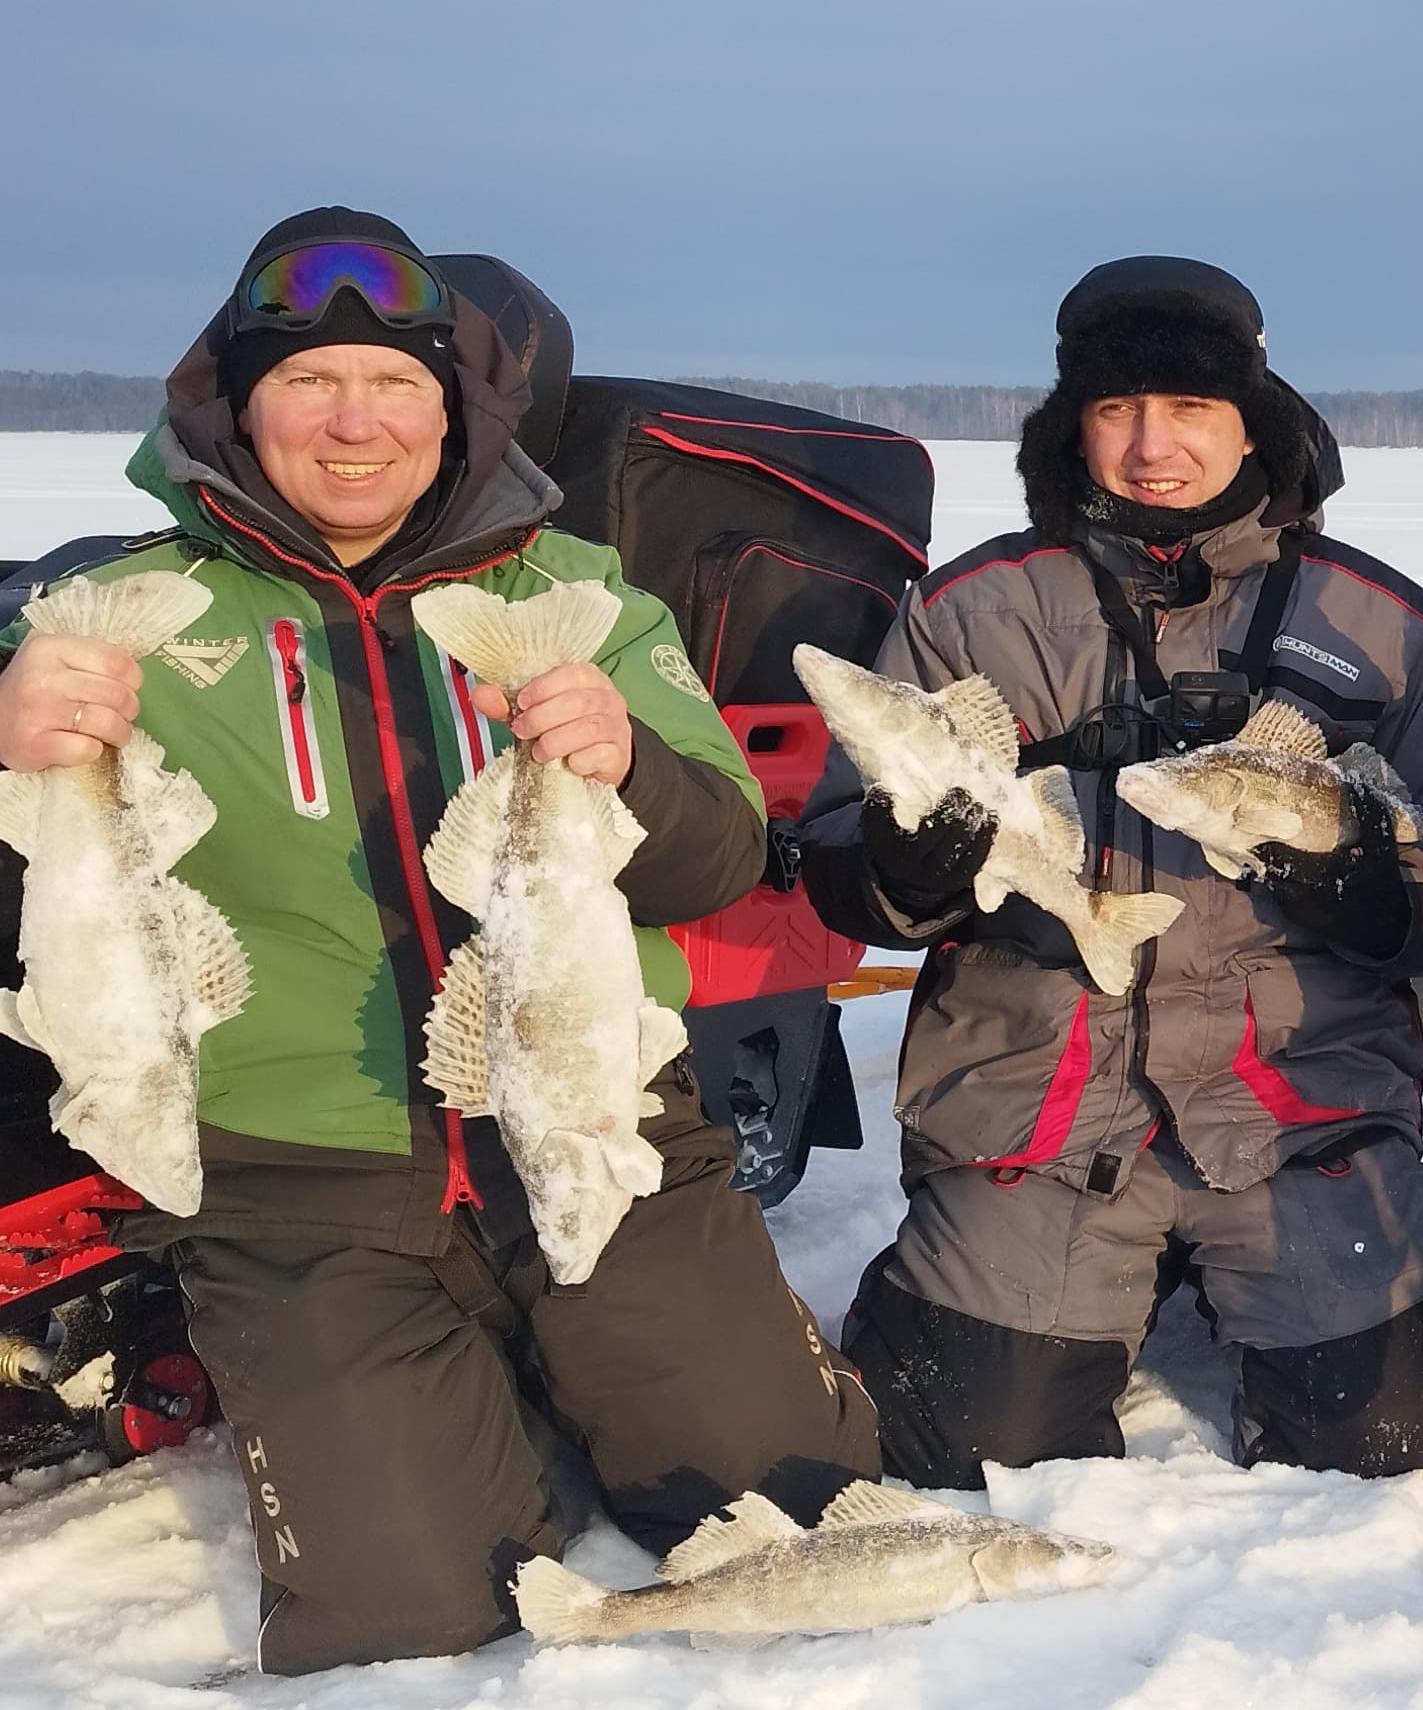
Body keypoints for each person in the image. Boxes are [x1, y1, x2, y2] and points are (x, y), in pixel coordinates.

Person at [0, 209, 878, 1673]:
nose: (357, 425)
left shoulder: (579, 599)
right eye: (308, 383)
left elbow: (719, 857)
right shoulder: (123, 618)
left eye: (396, 384)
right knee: (406, 1619)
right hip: (305, 1181)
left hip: (596, 1124)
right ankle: (468, 1378)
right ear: (235, 404)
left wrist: (632, 766)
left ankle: (559, 1348)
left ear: (455, 407)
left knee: (803, 1511)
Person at [804, 256, 1423, 1484]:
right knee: (959, 1443)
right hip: (1042, 1096)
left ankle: (1344, 1294)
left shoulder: (1377, 619)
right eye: (1116, 410)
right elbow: (835, 860)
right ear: (1072, 426)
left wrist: (1383, 893)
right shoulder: (970, 610)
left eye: (1189, 410)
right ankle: (1007, 1288)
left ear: (1254, 423)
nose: (1151, 448)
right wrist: (904, 864)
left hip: (1297, 1106)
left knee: (1404, 1433)